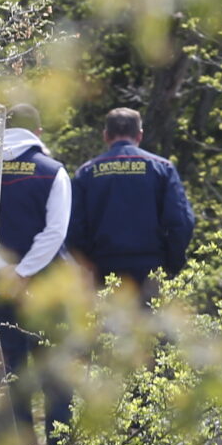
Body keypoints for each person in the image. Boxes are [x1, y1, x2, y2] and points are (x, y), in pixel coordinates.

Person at [0, 103, 74, 441]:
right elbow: (55, 233)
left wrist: (7, 271)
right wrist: (26, 271)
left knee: (11, 372)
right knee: (56, 372)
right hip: (49, 286)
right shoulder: (53, 171)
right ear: (37, 132)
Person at [68, 107, 194, 300]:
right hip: (151, 269)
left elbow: (74, 227)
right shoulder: (162, 168)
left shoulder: (87, 172)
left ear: (106, 135)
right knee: (150, 329)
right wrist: (172, 265)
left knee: (106, 328)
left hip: (104, 269)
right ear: (140, 135)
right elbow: (180, 222)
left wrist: (87, 265)